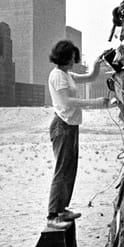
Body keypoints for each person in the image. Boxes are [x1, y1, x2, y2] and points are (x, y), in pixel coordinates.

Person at [46, 40, 108, 229]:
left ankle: (62, 209)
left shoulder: (66, 74)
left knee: (70, 170)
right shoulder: (58, 75)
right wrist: (96, 102)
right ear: (64, 56)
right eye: (72, 56)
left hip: (71, 125)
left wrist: (98, 62)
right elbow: (68, 101)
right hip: (62, 125)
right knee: (62, 170)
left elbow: (90, 77)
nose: (75, 59)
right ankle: (52, 215)